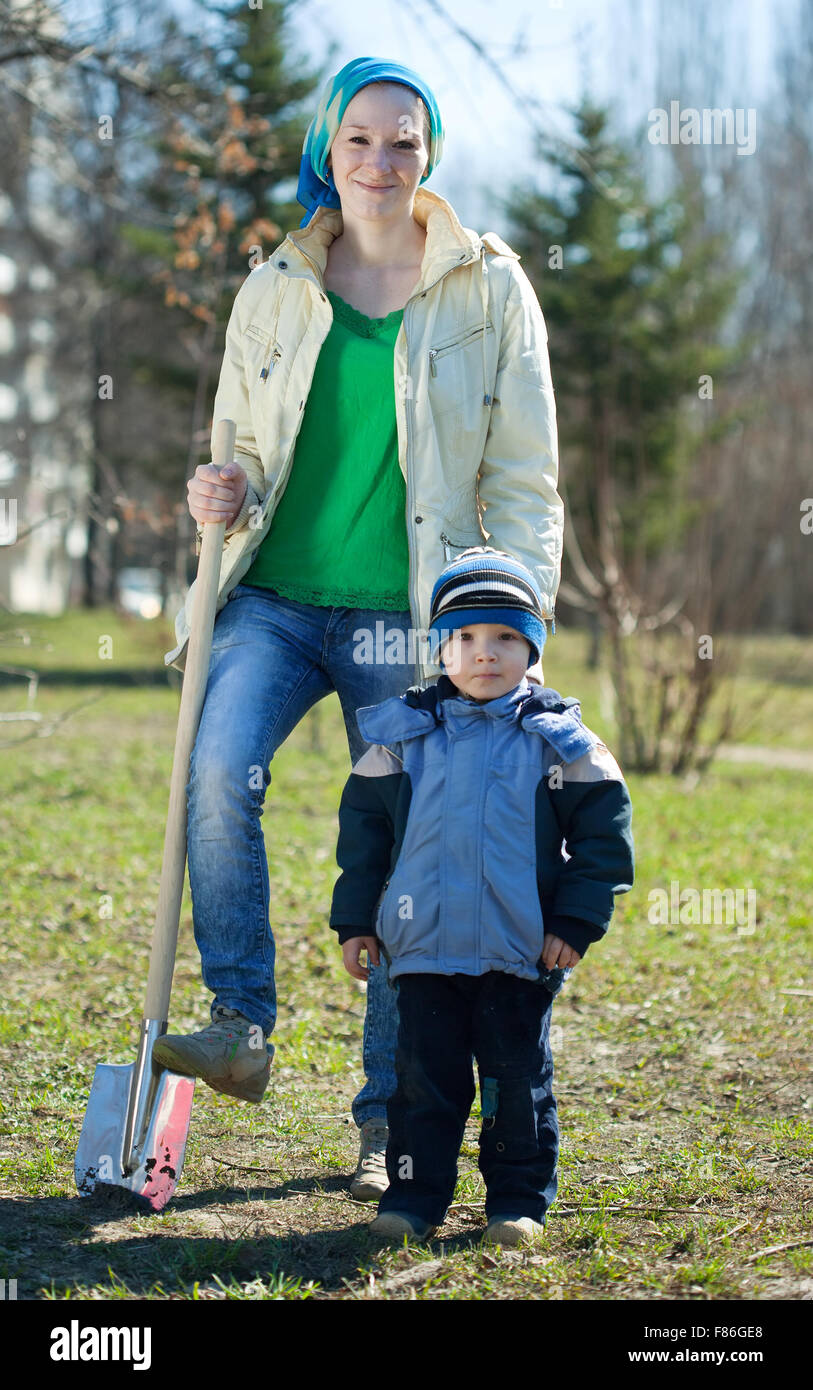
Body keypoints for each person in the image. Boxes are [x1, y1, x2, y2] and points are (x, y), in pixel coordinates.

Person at [156, 56, 564, 1202]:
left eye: (404, 143)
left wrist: (516, 612)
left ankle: (389, 1120)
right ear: (325, 154)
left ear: (429, 157)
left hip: (410, 616)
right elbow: (236, 448)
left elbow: (528, 475)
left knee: (400, 851)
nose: (381, 163)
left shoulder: (488, 289)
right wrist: (216, 490)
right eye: (359, 142)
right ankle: (241, 1017)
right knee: (215, 764)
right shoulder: (275, 284)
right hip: (277, 598)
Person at [330, 548, 635, 1245]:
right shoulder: (400, 739)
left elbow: (602, 846)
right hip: (422, 952)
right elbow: (364, 843)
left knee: (514, 1088)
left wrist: (575, 923)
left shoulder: (561, 744)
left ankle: (516, 1204)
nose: (483, 654)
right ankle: (411, 1201)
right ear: (440, 649)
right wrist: (356, 922)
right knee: (422, 1086)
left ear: (531, 648)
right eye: (464, 638)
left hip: (519, 950)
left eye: (504, 638)